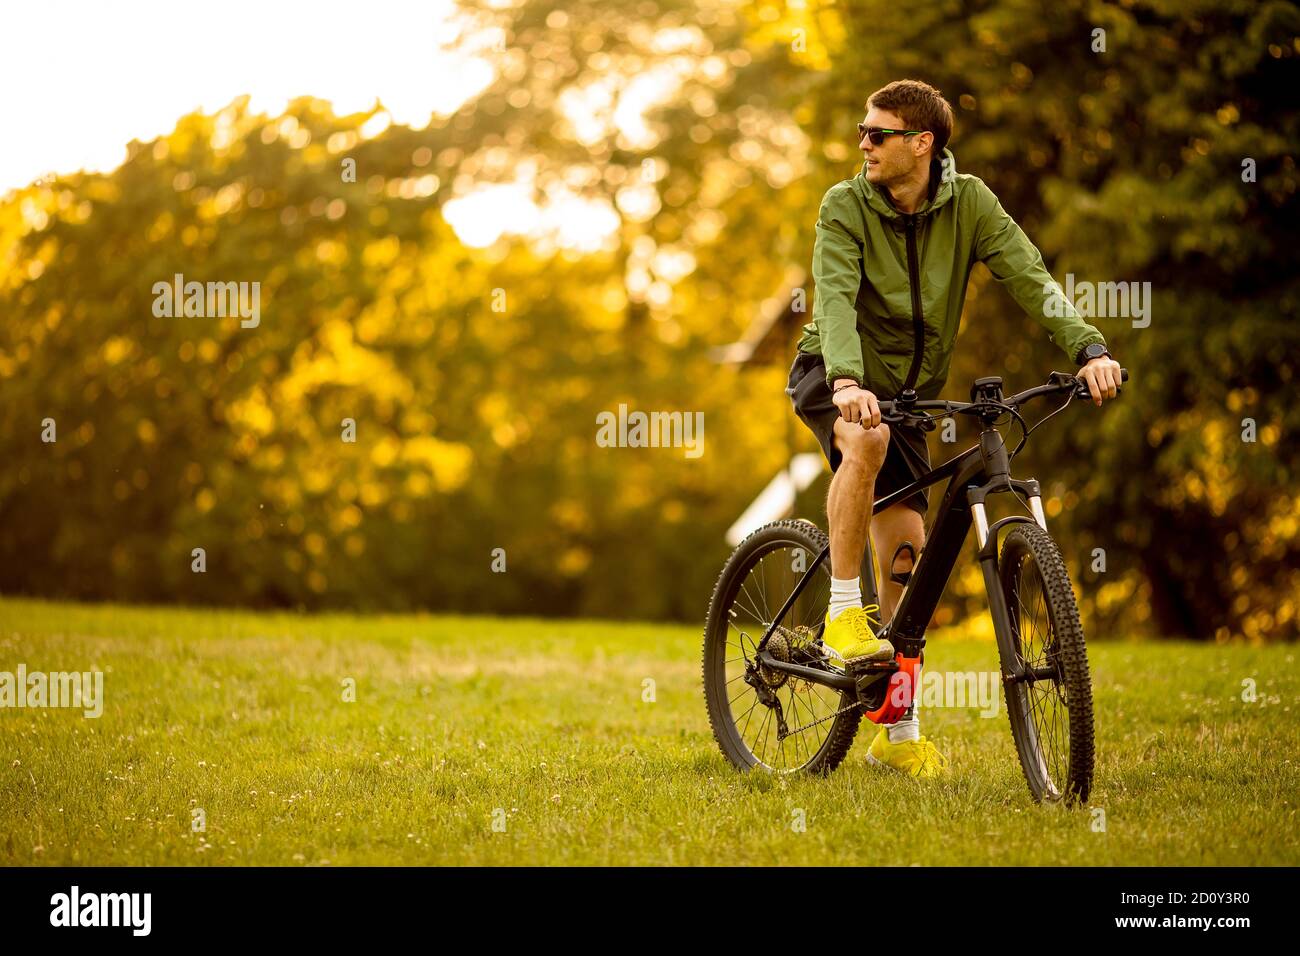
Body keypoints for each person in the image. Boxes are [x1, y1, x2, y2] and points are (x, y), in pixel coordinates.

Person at [786, 79, 1123, 778]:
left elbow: (1029, 275)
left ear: (922, 143)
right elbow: (838, 298)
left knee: (910, 565)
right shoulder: (845, 206)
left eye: (877, 134)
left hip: (909, 396)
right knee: (867, 442)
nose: (864, 144)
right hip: (835, 373)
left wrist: (1088, 348)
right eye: (861, 132)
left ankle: (898, 732)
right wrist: (848, 382)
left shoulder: (969, 202)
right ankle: (844, 611)